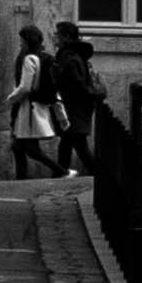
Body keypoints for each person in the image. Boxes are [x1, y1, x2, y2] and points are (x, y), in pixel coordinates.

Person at [6, 22, 60, 180]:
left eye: (21, 39)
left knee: (31, 149)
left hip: (28, 107)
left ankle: (62, 171)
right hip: (28, 106)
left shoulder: (28, 58)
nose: (19, 42)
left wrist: (11, 98)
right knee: (18, 147)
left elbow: (25, 87)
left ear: (27, 41)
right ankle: (21, 180)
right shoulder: (39, 56)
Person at [50, 14, 101, 173]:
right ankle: (60, 174)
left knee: (78, 145)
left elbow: (76, 83)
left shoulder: (69, 57)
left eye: (57, 34)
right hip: (76, 107)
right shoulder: (74, 55)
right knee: (67, 143)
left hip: (74, 107)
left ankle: (99, 176)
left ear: (65, 37)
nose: (55, 38)